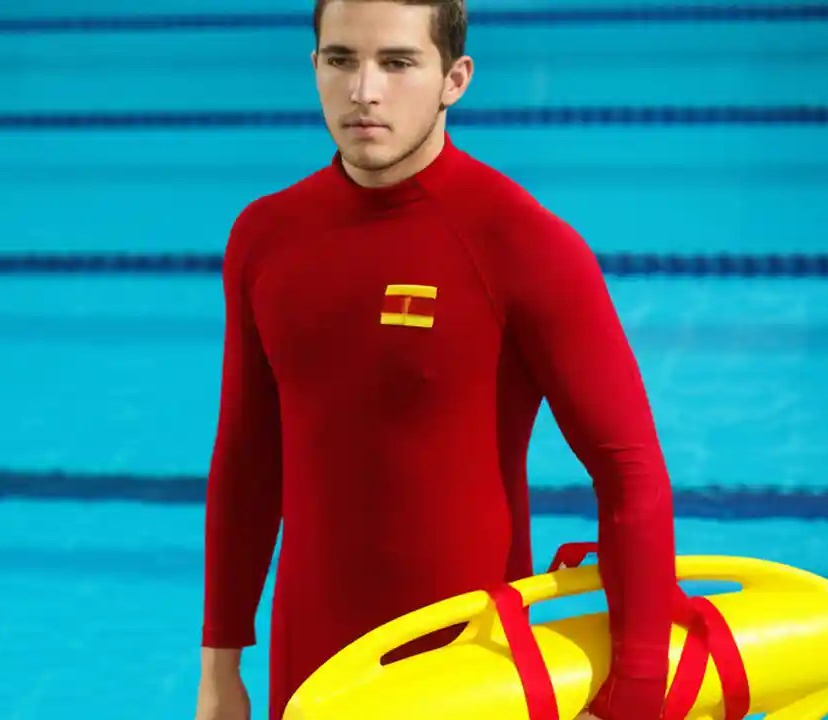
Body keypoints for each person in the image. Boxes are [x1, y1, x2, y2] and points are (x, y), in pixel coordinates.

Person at [194, 1, 677, 718]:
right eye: (341, 60)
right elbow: (246, 460)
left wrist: (636, 693)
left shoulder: (521, 244)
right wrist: (220, 667)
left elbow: (629, 469)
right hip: (310, 672)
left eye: (397, 62)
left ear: (455, 78)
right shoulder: (265, 237)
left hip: (469, 674)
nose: (364, 90)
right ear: (314, 67)